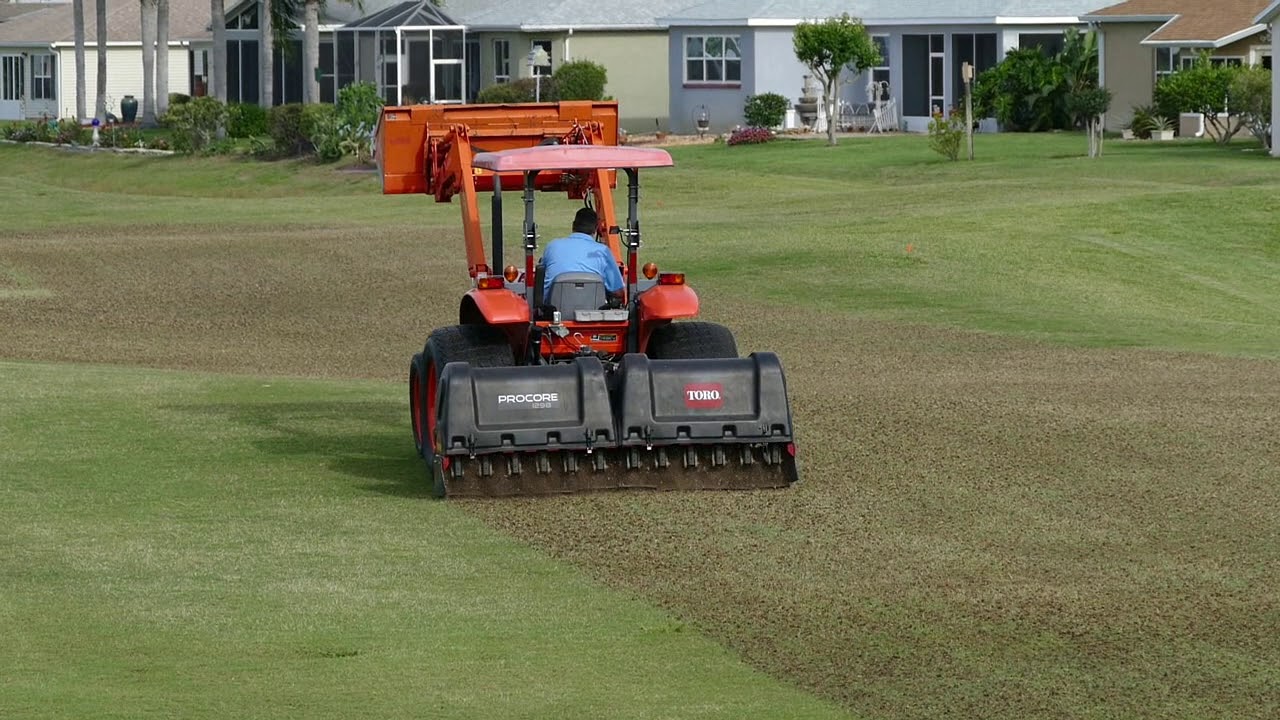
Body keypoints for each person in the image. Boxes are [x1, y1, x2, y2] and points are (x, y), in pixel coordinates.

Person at [540, 207, 625, 301]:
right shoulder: (602, 251)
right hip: (592, 308)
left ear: (573, 225)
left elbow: (541, 278)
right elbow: (618, 291)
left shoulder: (553, 246)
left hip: (554, 306)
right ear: (596, 228)